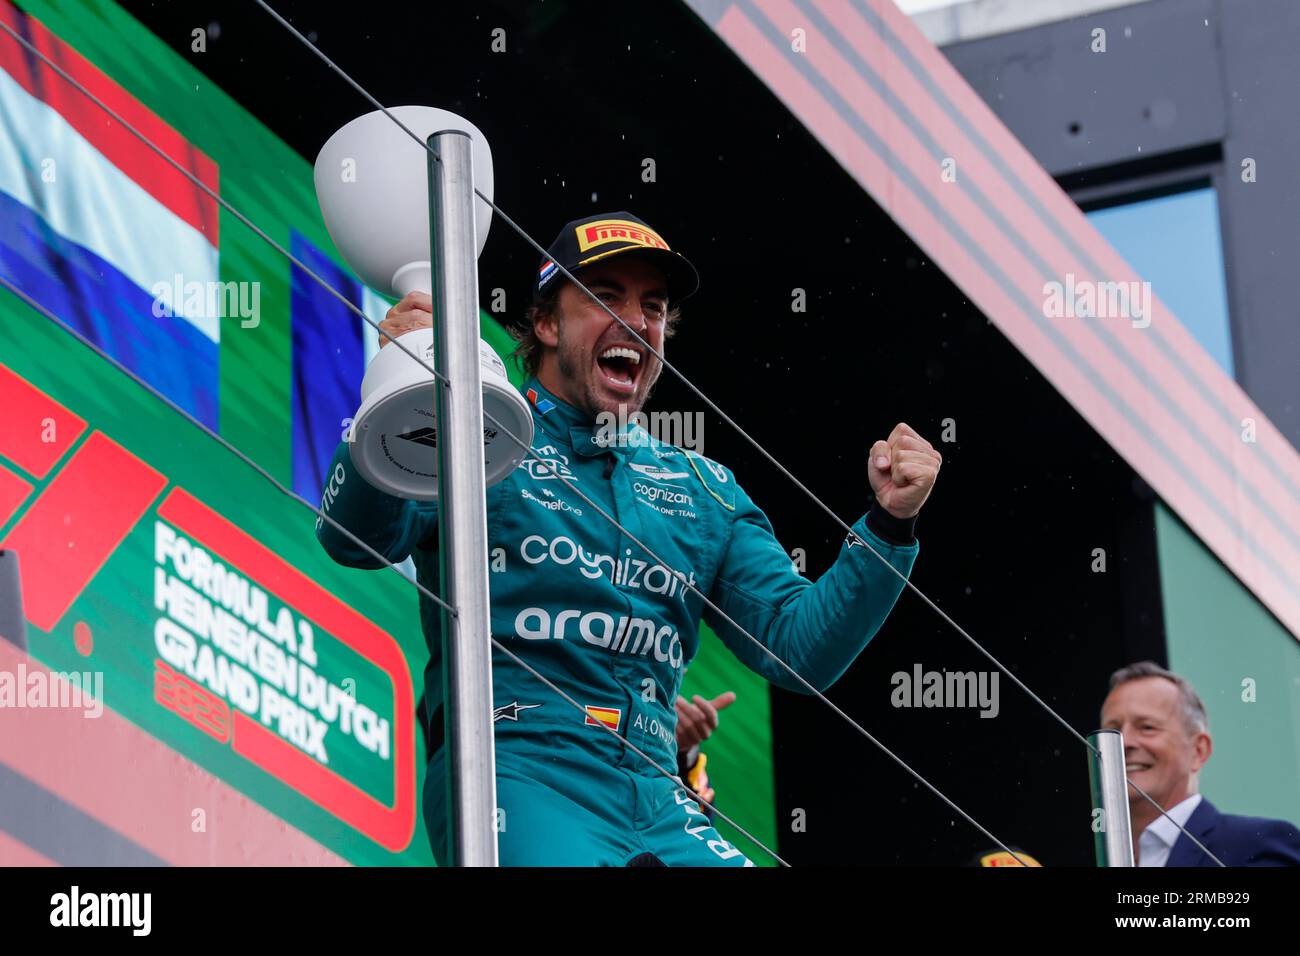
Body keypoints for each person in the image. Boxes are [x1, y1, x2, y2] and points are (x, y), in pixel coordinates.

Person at [317, 211, 941, 866]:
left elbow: (799, 648)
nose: (637, 320)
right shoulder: (480, 426)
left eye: (653, 306)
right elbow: (355, 539)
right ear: (549, 325)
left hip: (659, 794)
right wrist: (401, 390)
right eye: (604, 296)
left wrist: (890, 522)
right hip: (518, 768)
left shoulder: (704, 488)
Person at [1099, 661, 1300, 866]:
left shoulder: (1255, 846)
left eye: (1147, 727)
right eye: (1111, 732)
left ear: (1198, 751)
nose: (1124, 742)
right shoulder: (1097, 855)